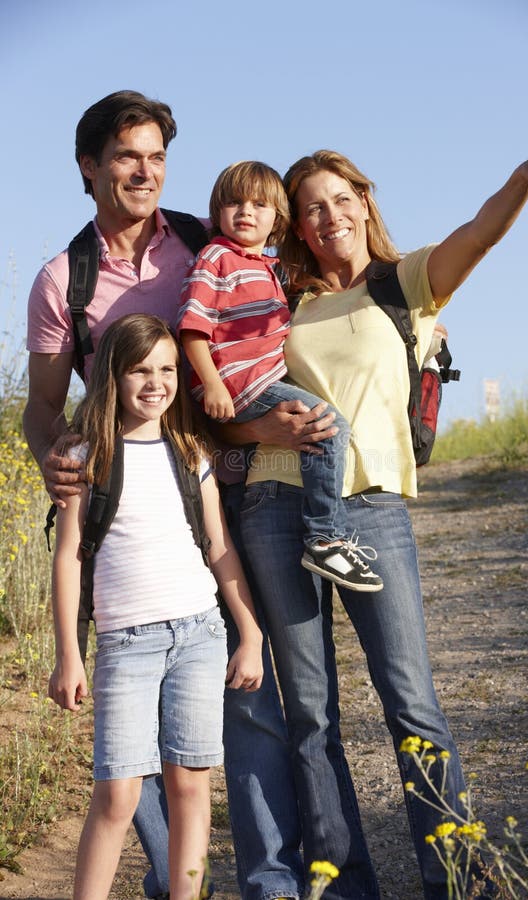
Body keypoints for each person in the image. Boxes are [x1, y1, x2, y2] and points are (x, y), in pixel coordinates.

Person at [223, 128, 528, 899]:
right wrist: (260, 430)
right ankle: (345, 885)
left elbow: (476, 234)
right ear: (293, 223)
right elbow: (231, 401)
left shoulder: (404, 283)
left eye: (339, 200)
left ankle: (455, 878)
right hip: (276, 509)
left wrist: (521, 178)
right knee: (311, 715)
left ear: (363, 202)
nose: (327, 218)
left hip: (372, 511)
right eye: (309, 209)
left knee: (411, 700)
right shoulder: (274, 296)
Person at [24, 90, 304, 900]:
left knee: (240, 707)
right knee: (127, 754)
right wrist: (60, 465)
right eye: (125, 157)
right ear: (89, 167)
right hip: (119, 508)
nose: (145, 172)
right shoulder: (62, 281)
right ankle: (169, 881)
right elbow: (43, 410)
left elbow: (270, 308)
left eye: (156, 156)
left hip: (221, 479)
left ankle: (268, 884)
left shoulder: (202, 244)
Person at [48, 313, 264, 900]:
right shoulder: (85, 456)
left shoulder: (191, 452)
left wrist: (249, 632)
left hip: (200, 635)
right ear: (112, 376)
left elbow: (218, 548)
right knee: (117, 795)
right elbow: (68, 559)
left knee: (191, 786)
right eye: (140, 369)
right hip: (126, 644)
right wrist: (70, 656)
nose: (156, 382)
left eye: (167, 369)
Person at [178, 160, 381, 592]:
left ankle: (318, 529)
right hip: (240, 384)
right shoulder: (217, 257)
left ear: (278, 220)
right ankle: (326, 537)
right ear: (217, 212)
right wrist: (212, 384)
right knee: (329, 426)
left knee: (311, 434)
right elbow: (193, 327)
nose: (245, 212)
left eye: (259, 204)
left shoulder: (271, 269)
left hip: (260, 383)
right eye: (234, 202)